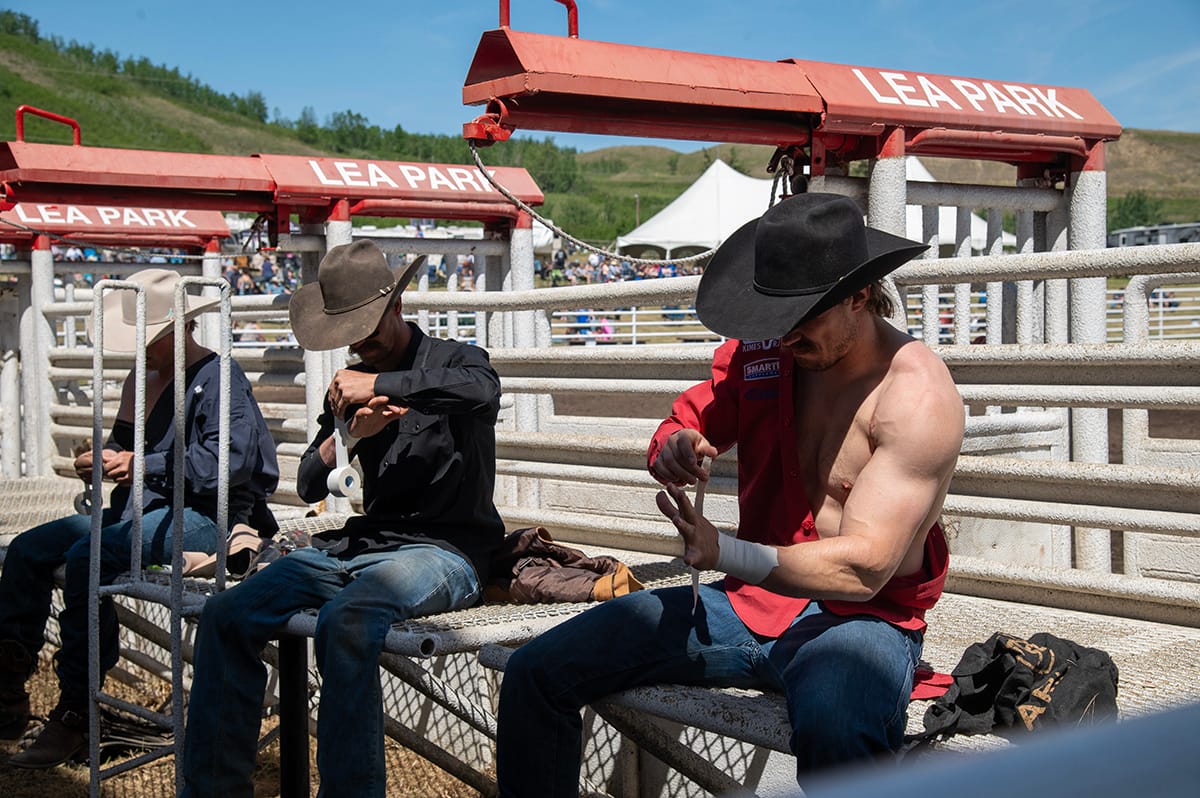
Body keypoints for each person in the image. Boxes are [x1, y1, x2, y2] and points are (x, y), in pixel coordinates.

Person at [495, 193, 965, 794]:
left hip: (858, 620)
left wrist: (727, 552)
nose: (786, 333)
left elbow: (866, 568)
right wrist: (673, 446)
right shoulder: (768, 349)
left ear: (858, 294)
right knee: (536, 670)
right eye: (776, 315)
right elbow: (686, 423)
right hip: (748, 602)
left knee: (838, 727)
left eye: (804, 315)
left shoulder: (916, 395)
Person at [181, 241, 506, 798]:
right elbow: (308, 482)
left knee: (347, 622)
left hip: (449, 550)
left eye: (368, 329)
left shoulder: (455, 360)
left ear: (397, 307)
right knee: (228, 613)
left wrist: (380, 384)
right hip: (362, 548)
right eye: (350, 335)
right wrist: (348, 436)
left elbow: (484, 392)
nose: (360, 345)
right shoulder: (348, 385)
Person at [0, 269, 279, 768]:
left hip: (205, 516)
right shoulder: (146, 377)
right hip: (147, 510)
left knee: (89, 553)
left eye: (147, 339)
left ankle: (75, 711)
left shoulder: (220, 378)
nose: (141, 349)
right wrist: (104, 458)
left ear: (176, 332)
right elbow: (126, 444)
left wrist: (137, 464)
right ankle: (7, 684)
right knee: (25, 550)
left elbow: (227, 464)